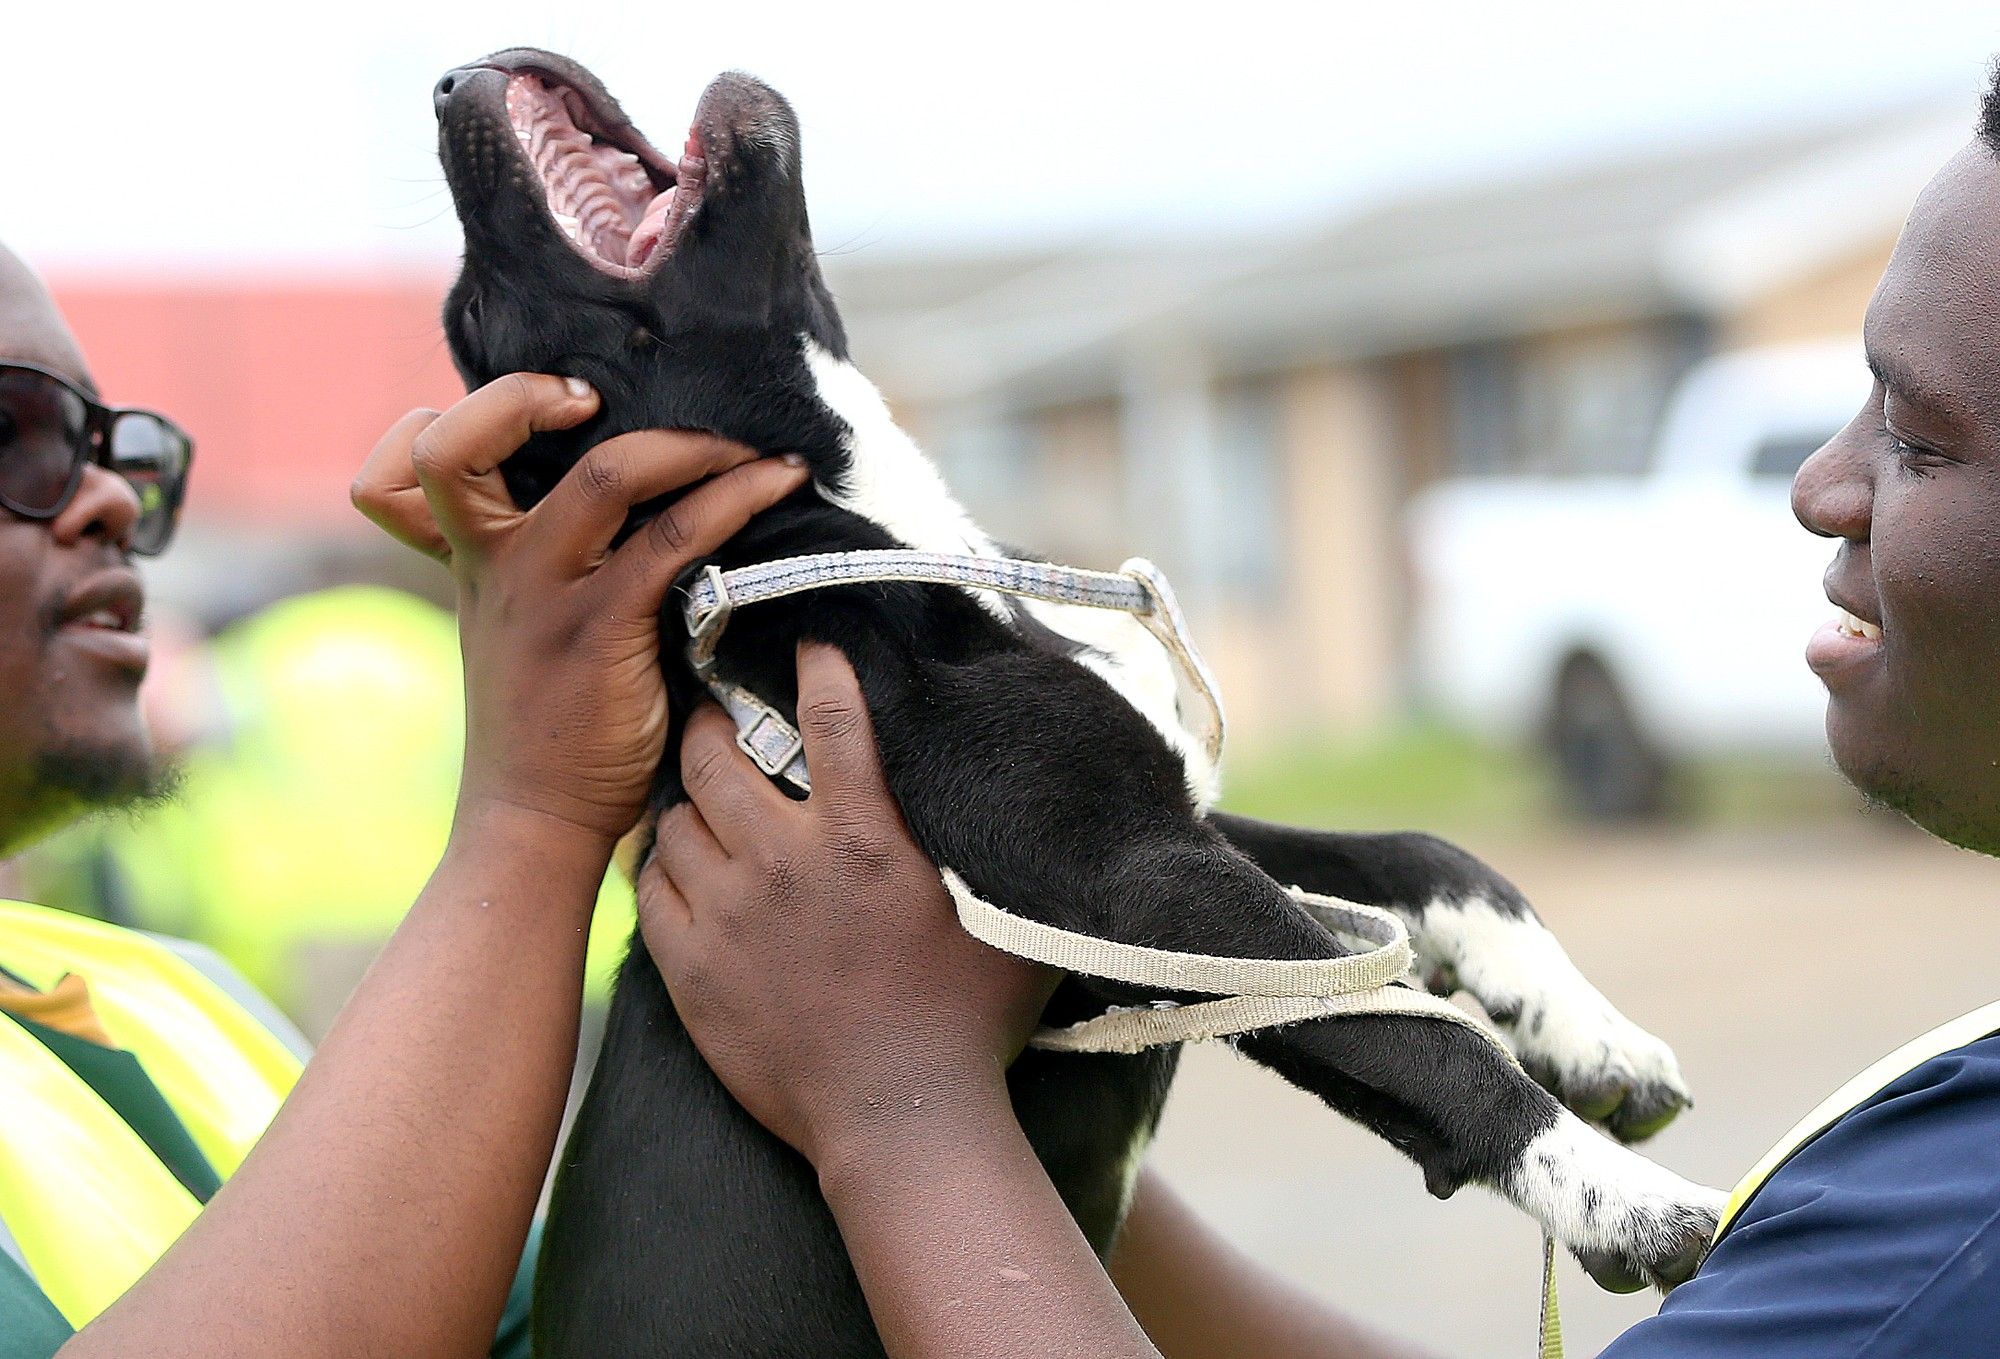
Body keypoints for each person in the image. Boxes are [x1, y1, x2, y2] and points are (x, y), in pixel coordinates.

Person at [628, 72, 2000, 1359]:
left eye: (1921, 438)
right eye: (1859, 403)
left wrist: (895, 1112)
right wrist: (1021, 1074)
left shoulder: (1949, 1239)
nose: (1821, 482)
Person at [0, 239, 809, 1356]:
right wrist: (535, 816)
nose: (106, 501)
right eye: (14, 432)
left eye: (122, 453)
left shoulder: (169, 1001)